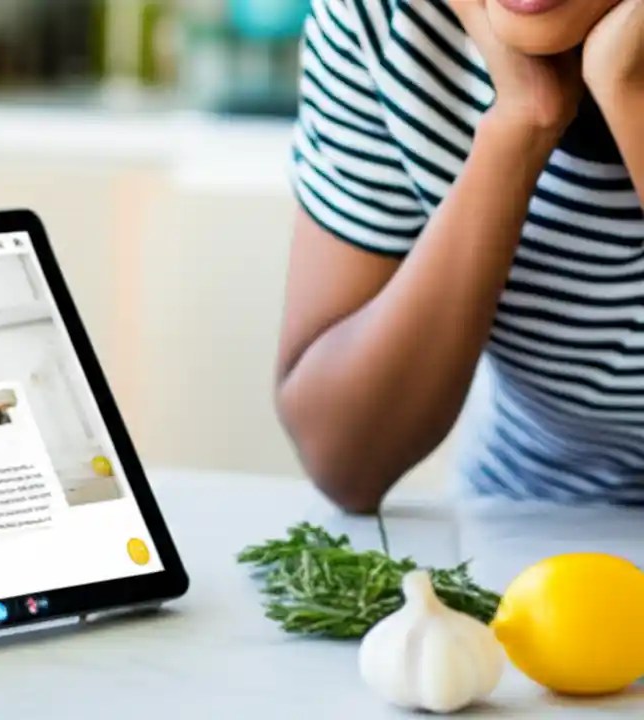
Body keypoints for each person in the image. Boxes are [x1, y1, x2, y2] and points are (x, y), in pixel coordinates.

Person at [276, 0, 644, 513]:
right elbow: (346, 460)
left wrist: (630, 94)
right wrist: (523, 119)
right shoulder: (386, 21)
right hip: (526, 532)